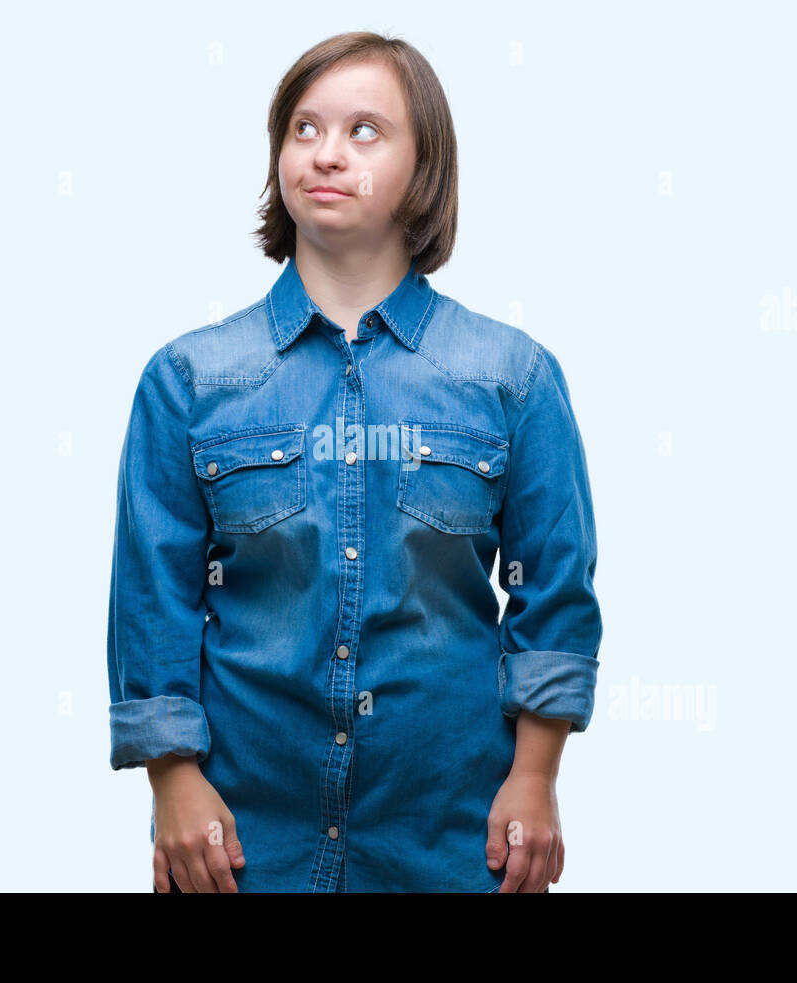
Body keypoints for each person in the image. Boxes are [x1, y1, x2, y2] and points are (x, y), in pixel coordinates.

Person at [107, 30, 601, 893]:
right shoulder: (189, 381)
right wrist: (172, 778)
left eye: (365, 130)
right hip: (242, 842)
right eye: (305, 128)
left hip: (447, 836)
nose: (327, 153)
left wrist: (536, 775)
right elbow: (155, 596)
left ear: (425, 165)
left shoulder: (511, 378)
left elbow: (552, 589)